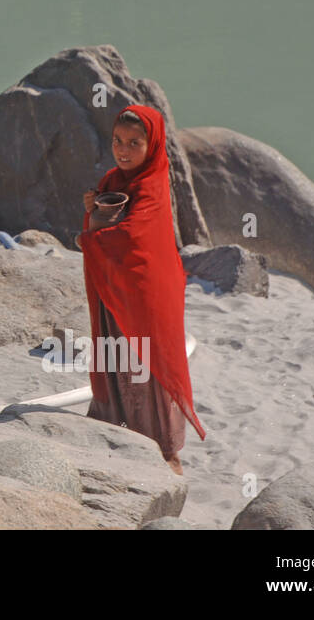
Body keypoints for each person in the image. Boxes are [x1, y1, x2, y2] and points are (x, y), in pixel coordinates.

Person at [76, 105, 205, 476]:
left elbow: (135, 234)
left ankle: (164, 450)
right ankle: (114, 420)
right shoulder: (113, 179)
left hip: (146, 290)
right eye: (118, 141)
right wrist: (91, 209)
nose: (124, 150)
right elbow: (103, 221)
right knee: (115, 351)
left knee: (146, 360)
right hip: (113, 284)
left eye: (134, 143)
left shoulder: (152, 182)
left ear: (153, 144)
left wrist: (90, 239)